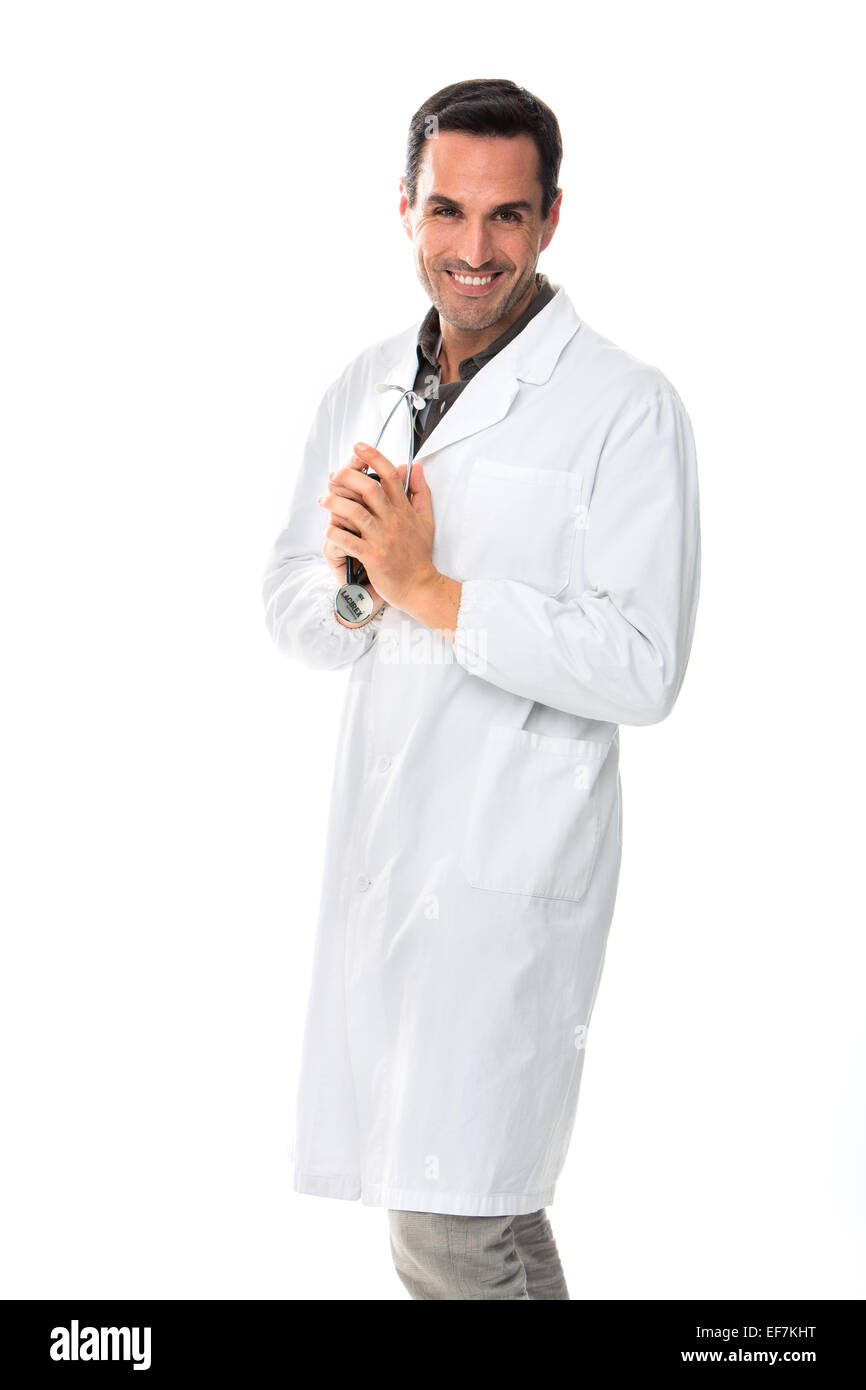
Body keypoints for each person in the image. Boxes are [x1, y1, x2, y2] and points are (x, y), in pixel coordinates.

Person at [262, 78, 701, 1301]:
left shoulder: (623, 408)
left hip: (509, 874)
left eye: (506, 217)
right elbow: (296, 606)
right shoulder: (366, 384)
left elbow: (643, 662)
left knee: (459, 1230)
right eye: (446, 210)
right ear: (402, 208)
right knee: (457, 1216)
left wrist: (430, 587)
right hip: (388, 859)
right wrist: (364, 587)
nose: (473, 249)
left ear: (552, 219)